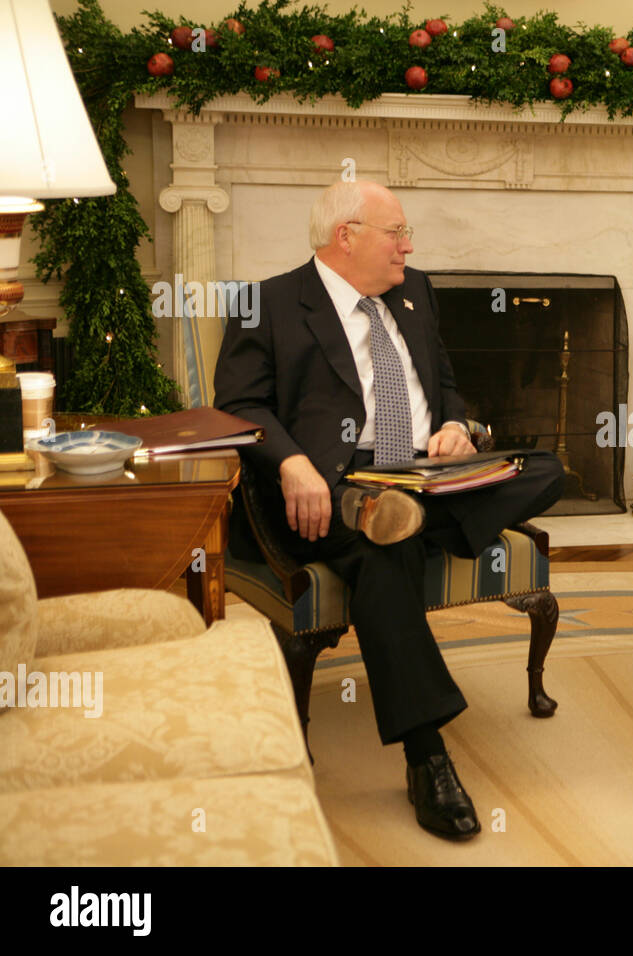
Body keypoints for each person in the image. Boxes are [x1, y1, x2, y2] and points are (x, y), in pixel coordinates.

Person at [214, 181, 564, 841]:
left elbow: (448, 385)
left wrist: (456, 430)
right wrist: (293, 465)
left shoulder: (416, 291)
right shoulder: (269, 303)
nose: (410, 245)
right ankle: (427, 756)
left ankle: (398, 510)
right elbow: (239, 410)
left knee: (545, 469)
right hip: (323, 481)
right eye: (396, 231)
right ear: (346, 235)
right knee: (384, 552)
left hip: (424, 472)